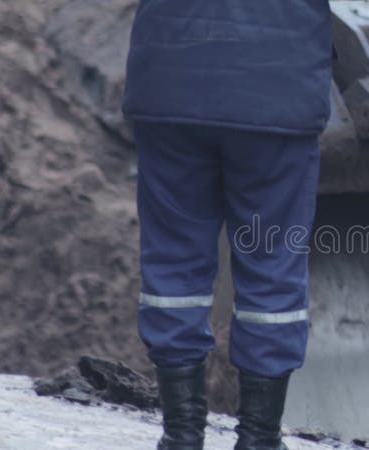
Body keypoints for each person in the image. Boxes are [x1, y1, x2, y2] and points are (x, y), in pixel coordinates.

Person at [122, 1, 333, 449]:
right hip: (279, 85)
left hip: (171, 77)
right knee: (272, 266)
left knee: (173, 263)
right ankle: (259, 439)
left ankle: (181, 435)